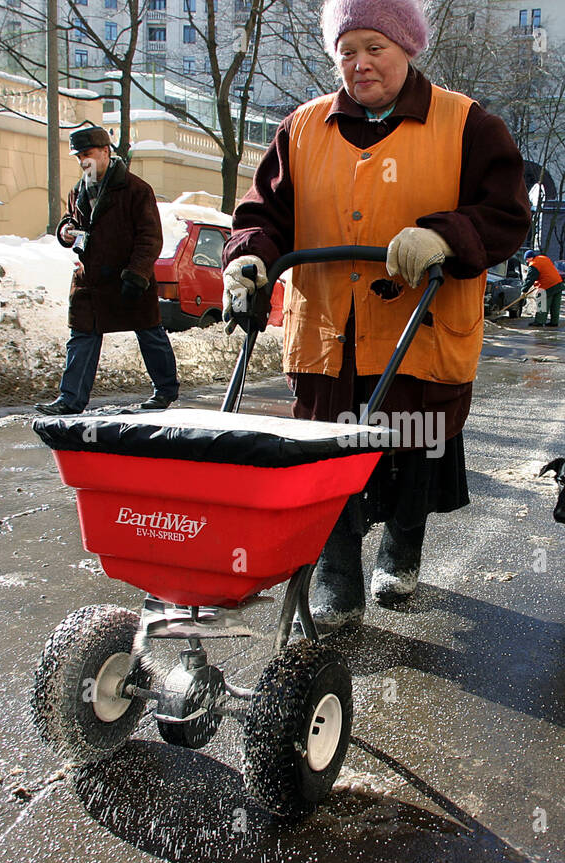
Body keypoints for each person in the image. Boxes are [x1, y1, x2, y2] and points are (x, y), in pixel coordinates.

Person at [222, 0, 530, 632]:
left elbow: (506, 213)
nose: (359, 64)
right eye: (347, 50)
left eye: (374, 48)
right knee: (326, 457)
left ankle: (402, 548)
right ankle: (339, 572)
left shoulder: (467, 124)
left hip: (421, 329)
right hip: (331, 333)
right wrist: (249, 257)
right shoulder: (302, 129)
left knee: (412, 445)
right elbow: (264, 214)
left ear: (408, 47)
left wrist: (449, 236)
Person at [35, 125, 180, 415]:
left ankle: (165, 391)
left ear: (105, 152)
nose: (82, 161)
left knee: (150, 333)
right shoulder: (78, 190)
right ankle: (70, 399)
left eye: (87, 154)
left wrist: (137, 274)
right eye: (78, 157)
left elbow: (150, 237)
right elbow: (71, 221)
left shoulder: (136, 190)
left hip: (128, 278)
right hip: (91, 281)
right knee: (81, 337)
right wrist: (65, 230)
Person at [520, 249, 565, 327]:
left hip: (547, 285)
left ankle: (539, 321)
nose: (527, 262)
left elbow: (530, 279)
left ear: (530, 258)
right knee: (555, 305)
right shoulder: (544, 258)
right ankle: (554, 322)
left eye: (527, 259)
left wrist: (524, 290)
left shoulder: (534, 264)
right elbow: (545, 271)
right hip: (558, 283)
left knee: (542, 303)